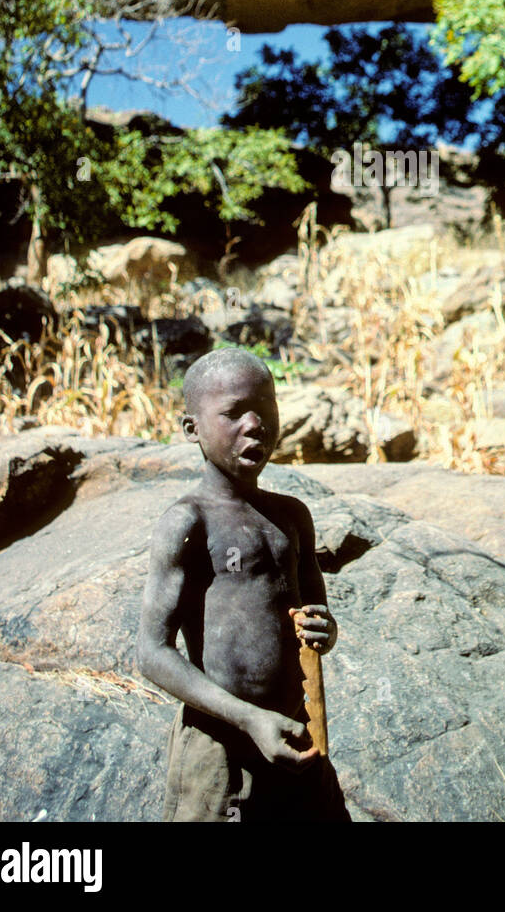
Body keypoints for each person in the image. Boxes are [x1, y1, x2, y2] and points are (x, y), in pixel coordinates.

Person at [137, 346, 351, 822]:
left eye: (265, 409)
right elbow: (152, 652)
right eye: (233, 413)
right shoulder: (189, 522)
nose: (255, 425)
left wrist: (325, 630)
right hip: (222, 746)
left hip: (297, 734)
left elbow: (313, 614)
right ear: (192, 427)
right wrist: (248, 717)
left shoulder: (291, 516)